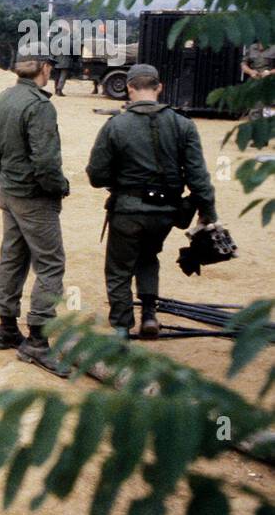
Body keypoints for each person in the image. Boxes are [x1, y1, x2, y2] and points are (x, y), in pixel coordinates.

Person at [86, 63, 219, 339]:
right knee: (148, 257)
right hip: (166, 214)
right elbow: (198, 177)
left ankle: (122, 328)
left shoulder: (115, 125)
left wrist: (118, 180)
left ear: (129, 88)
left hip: (127, 211)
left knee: (119, 269)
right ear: (159, 88)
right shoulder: (183, 124)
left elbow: (96, 175)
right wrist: (208, 213)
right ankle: (149, 315)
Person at [0, 41, 70, 375]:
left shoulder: (2, 99)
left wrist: (3, 178)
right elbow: (46, 160)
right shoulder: (39, 105)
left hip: (10, 193)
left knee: (13, 257)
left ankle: (6, 328)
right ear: (45, 68)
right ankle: (37, 341)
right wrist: (57, 187)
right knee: (50, 264)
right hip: (34, 197)